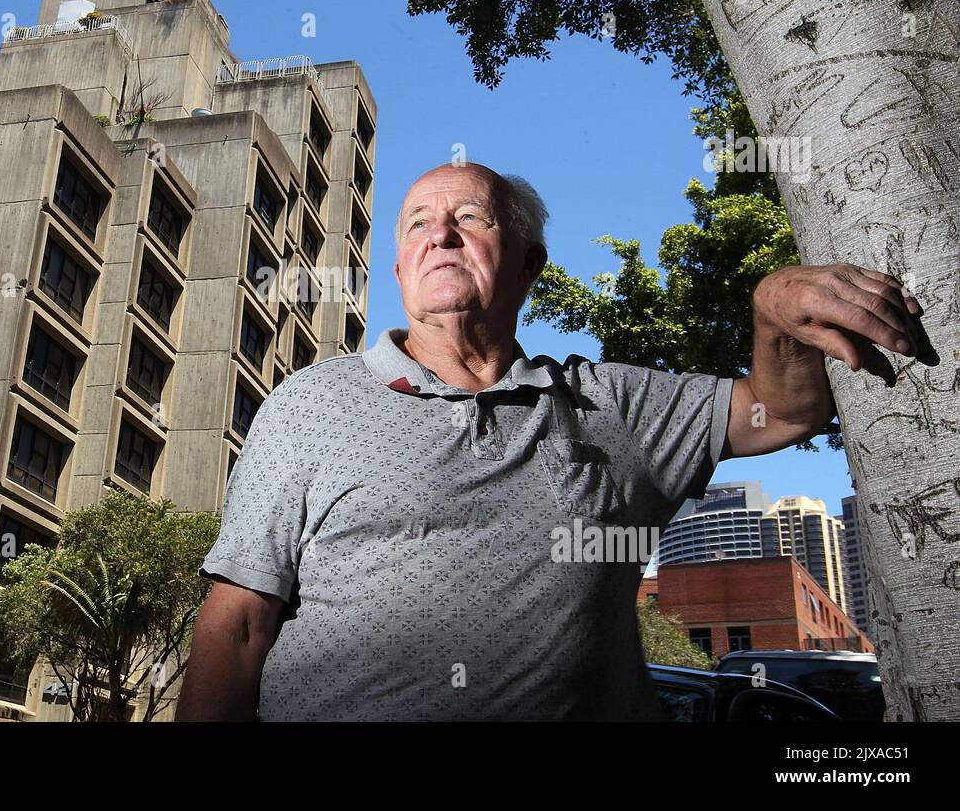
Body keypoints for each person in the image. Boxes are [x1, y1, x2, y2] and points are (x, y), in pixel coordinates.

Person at [175, 161, 923, 721]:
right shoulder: (310, 403)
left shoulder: (613, 402)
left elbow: (782, 412)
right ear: (399, 268)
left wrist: (774, 306)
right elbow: (237, 623)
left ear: (531, 261)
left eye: (472, 218)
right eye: (417, 224)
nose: (440, 235)